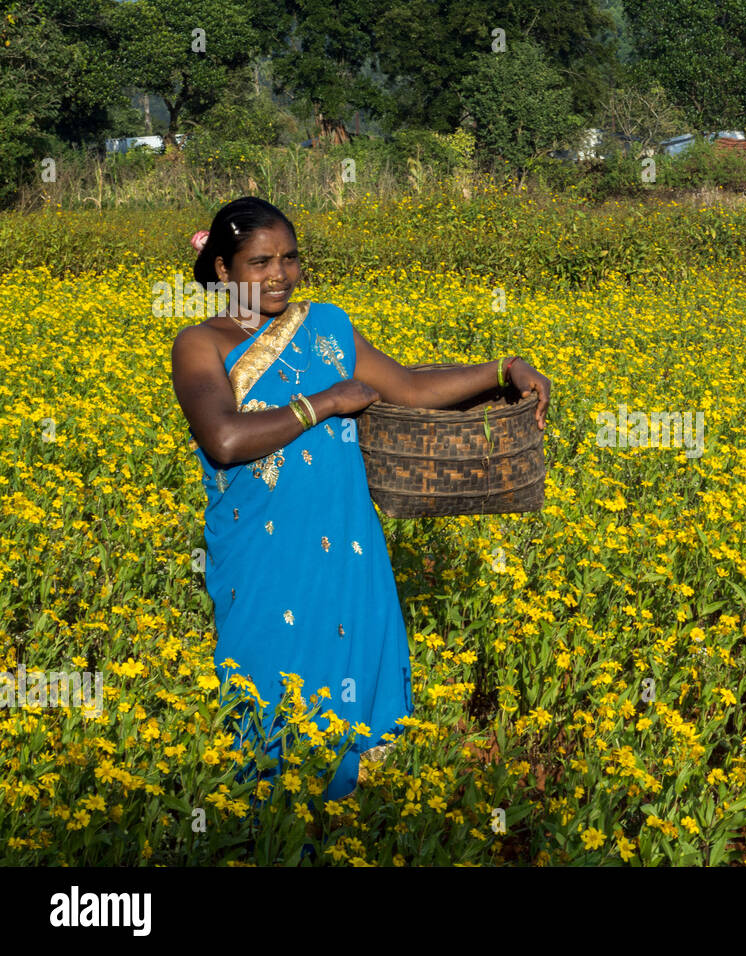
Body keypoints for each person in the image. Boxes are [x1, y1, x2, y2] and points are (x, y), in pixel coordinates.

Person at [170, 196, 551, 803]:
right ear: (222, 270)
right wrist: (325, 403)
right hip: (263, 557)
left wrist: (503, 369)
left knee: (350, 698)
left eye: (290, 259)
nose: (279, 275)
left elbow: (411, 386)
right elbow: (223, 438)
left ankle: (349, 828)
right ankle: (267, 834)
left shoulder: (327, 326)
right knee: (269, 693)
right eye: (259, 262)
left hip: (346, 545)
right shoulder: (201, 344)